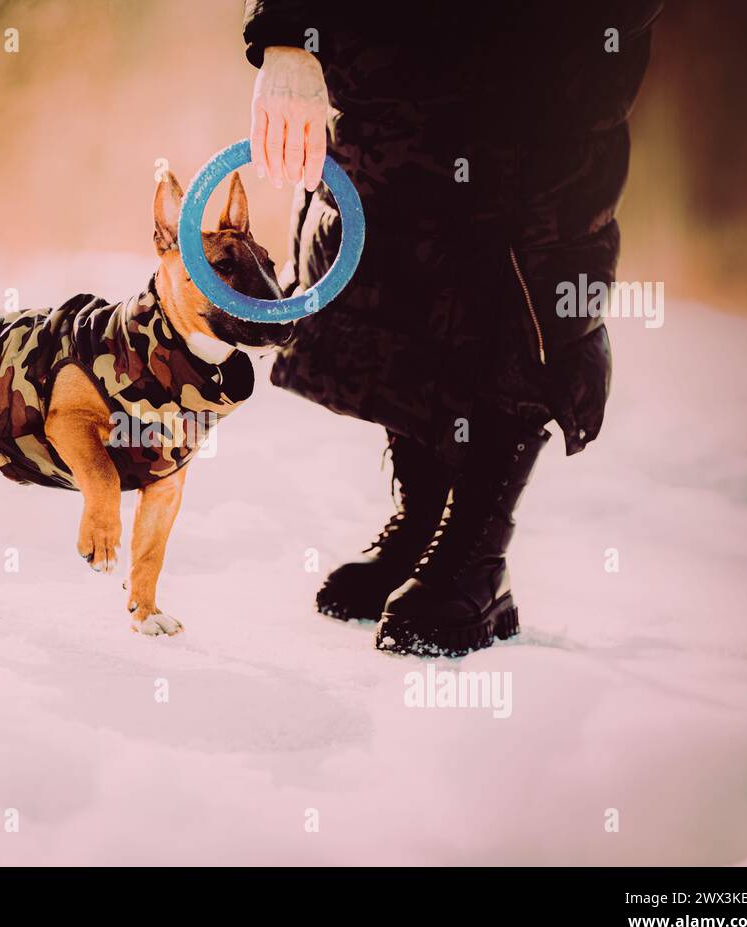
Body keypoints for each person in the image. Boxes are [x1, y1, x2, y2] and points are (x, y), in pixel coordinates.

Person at [242, 2, 662, 655]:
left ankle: (475, 549)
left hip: (543, 59)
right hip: (381, 56)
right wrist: (288, 32)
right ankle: (424, 519)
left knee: (518, 258)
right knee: (387, 244)